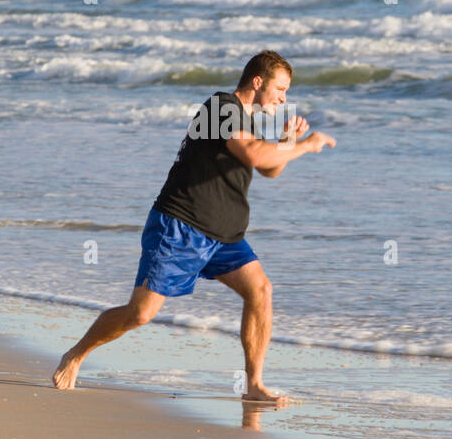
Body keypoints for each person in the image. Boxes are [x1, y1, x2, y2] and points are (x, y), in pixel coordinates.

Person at [52, 50, 336, 399]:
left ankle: (254, 385)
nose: (283, 98)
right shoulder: (221, 107)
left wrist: (288, 141)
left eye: (287, 92)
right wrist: (306, 146)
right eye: (281, 88)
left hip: (223, 234)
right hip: (180, 225)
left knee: (260, 290)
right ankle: (77, 353)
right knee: (141, 313)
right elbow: (256, 156)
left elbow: (269, 168)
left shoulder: (248, 120)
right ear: (258, 82)